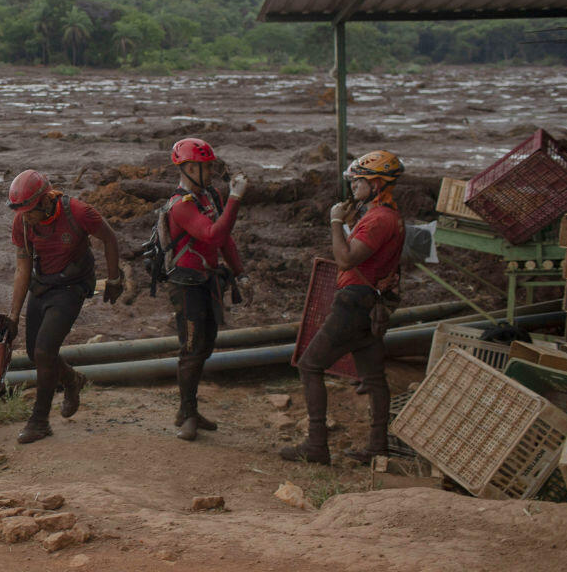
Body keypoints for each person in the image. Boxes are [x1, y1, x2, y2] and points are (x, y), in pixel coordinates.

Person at [280, 150, 406, 465]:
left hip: (353, 303)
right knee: (374, 376)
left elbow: (346, 258)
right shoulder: (390, 215)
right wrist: (350, 224)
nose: (353, 187)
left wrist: (336, 223)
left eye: (359, 182)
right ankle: (378, 446)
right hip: (370, 304)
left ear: (377, 183)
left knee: (310, 366)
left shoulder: (378, 218)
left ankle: (316, 445)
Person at [6, 169, 121, 444]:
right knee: (36, 354)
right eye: (23, 212)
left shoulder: (79, 212)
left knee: (45, 351)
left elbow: (110, 238)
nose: (28, 217)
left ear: (46, 200)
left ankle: (39, 421)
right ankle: (71, 379)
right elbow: (23, 268)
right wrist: (12, 316)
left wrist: (115, 278)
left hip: (72, 285)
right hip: (43, 284)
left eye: (31, 210)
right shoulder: (22, 222)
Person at [161, 138, 250, 442]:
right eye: (204, 166)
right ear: (186, 168)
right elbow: (213, 235)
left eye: (211, 165)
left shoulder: (209, 195)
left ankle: (190, 410)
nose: (210, 171)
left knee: (205, 345)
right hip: (186, 285)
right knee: (192, 349)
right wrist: (236, 199)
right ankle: (187, 413)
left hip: (206, 280)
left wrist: (240, 273)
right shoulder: (180, 206)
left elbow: (226, 239)